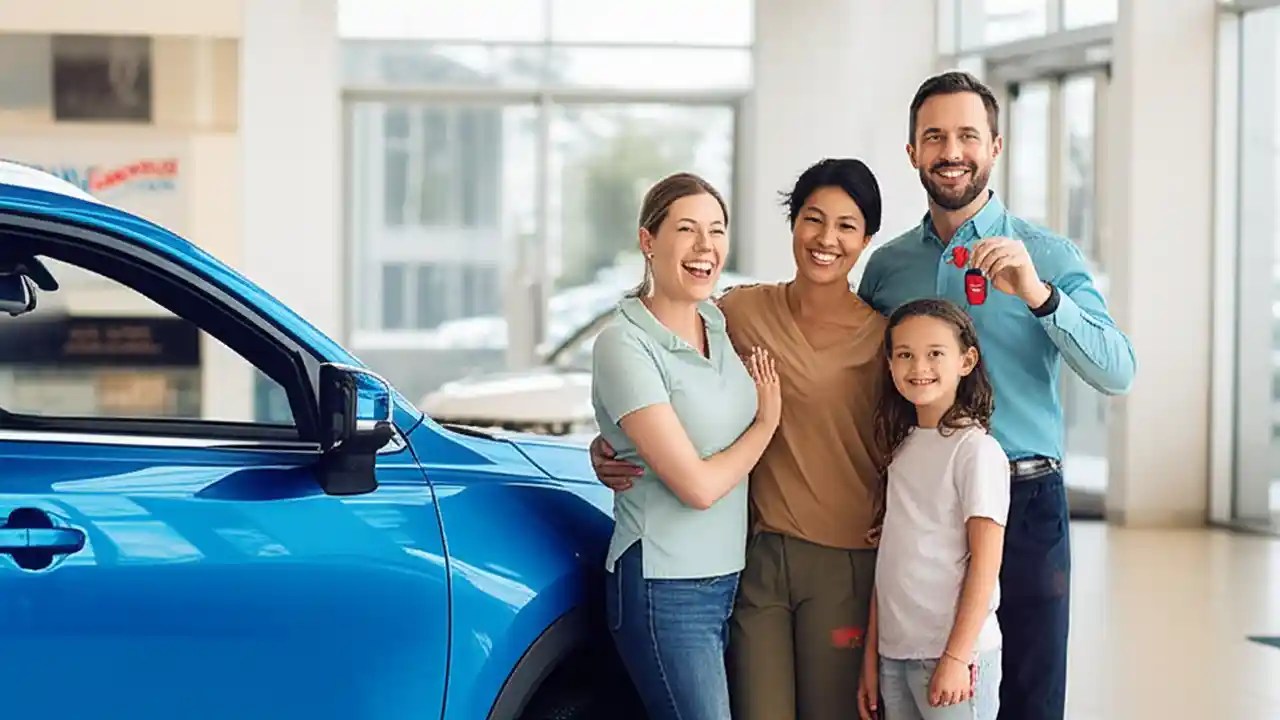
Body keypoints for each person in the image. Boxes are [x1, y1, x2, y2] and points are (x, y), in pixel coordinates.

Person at [858, 70, 1137, 720]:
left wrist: (1039, 295)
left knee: (1030, 696)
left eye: (966, 135)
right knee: (926, 685)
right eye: (934, 137)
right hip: (921, 501)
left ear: (995, 146)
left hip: (1025, 499)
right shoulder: (888, 267)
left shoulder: (1047, 253)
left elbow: (1117, 371)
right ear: (912, 154)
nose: (950, 151)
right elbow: (854, 380)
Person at [591, 158, 889, 720]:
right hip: (754, 557)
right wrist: (609, 446)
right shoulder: (740, 312)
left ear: (867, 239)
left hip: (841, 557)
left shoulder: (881, 337)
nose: (826, 239)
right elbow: (650, 388)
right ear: (793, 223)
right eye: (813, 219)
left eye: (847, 226)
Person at [591, 171, 782, 720]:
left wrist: (607, 448)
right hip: (665, 587)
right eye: (687, 229)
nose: (706, 247)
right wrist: (765, 426)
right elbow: (696, 487)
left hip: (730, 577)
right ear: (648, 241)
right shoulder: (624, 344)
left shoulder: (718, 323)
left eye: (717, 231)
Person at [857, 298, 1008, 720]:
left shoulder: (975, 451)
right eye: (904, 354)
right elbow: (890, 560)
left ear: (966, 360)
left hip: (951, 658)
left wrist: (958, 658)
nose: (917, 367)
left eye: (935, 354)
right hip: (896, 655)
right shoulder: (902, 448)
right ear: (889, 364)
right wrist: (872, 657)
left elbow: (986, 561)